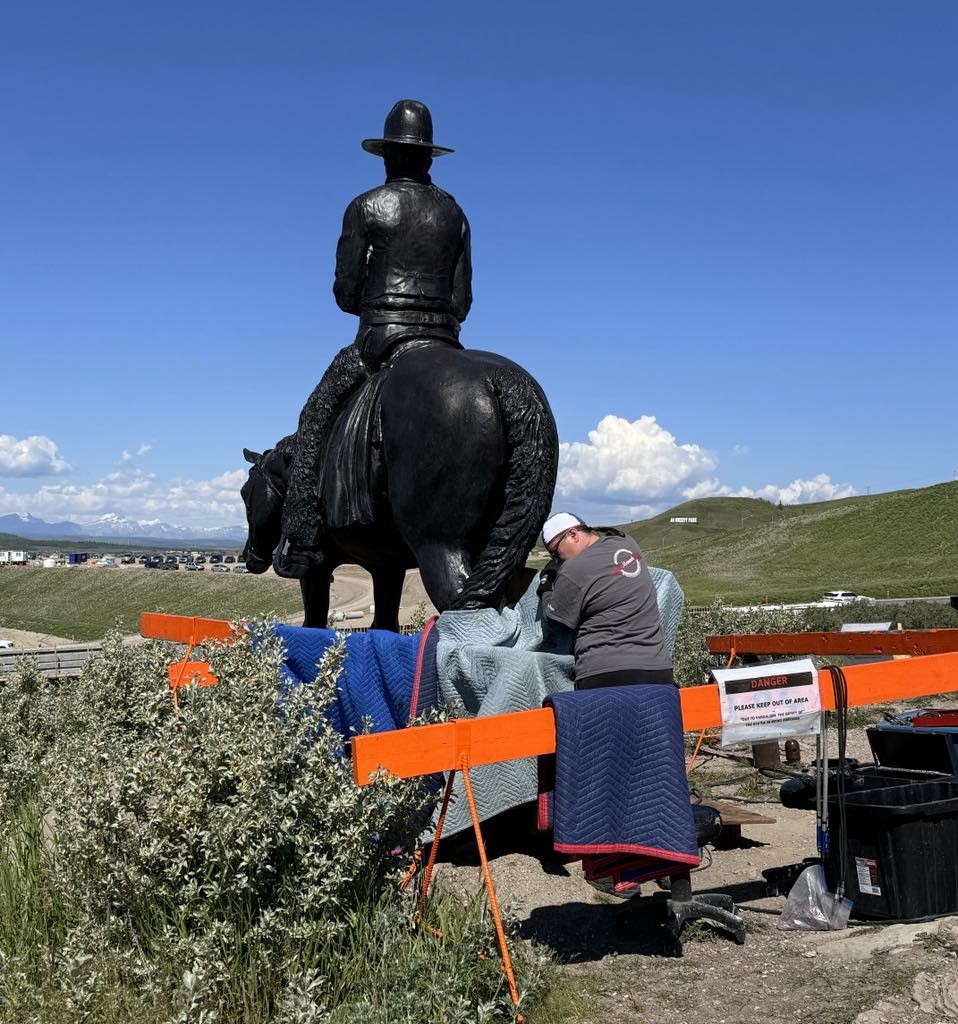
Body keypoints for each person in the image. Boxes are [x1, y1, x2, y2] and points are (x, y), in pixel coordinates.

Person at [279, 99, 472, 576]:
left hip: (380, 341)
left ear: (388, 156)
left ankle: (302, 537)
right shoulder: (454, 213)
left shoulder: (367, 206)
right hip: (445, 342)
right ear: (427, 157)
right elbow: (463, 299)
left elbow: (345, 293)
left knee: (314, 417)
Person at [539, 512, 673, 688]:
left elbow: (555, 620)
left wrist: (546, 587)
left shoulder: (573, 569)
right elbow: (613, 572)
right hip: (658, 669)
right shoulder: (627, 543)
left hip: (604, 673)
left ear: (573, 535)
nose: (556, 561)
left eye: (555, 553)